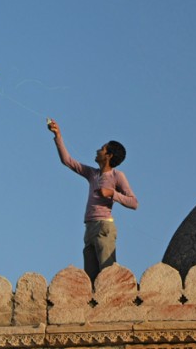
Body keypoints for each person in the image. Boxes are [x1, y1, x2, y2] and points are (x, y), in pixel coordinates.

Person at [47, 118, 138, 283]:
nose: (98, 150)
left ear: (108, 156)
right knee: (90, 278)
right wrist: (58, 136)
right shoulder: (93, 174)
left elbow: (134, 203)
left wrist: (111, 193)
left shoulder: (117, 176)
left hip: (104, 227)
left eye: (102, 149)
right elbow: (68, 161)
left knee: (108, 274)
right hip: (89, 228)